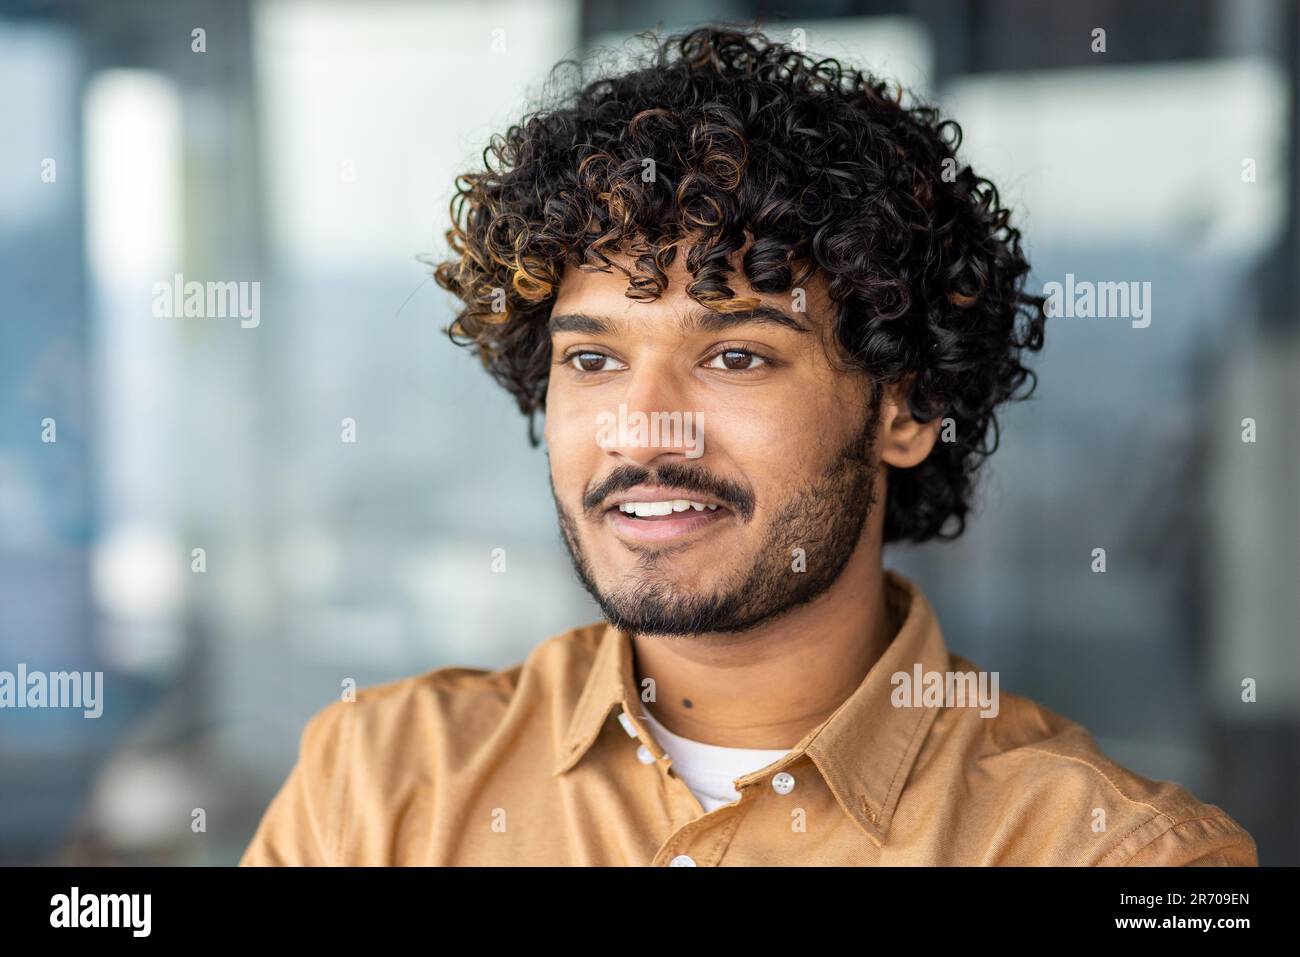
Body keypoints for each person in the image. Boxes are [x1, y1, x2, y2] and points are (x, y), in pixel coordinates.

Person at [240, 24, 1256, 866]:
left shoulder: (1118, 858)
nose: (644, 427)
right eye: (593, 362)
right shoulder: (374, 788)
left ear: (905, 409)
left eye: (734, 356)